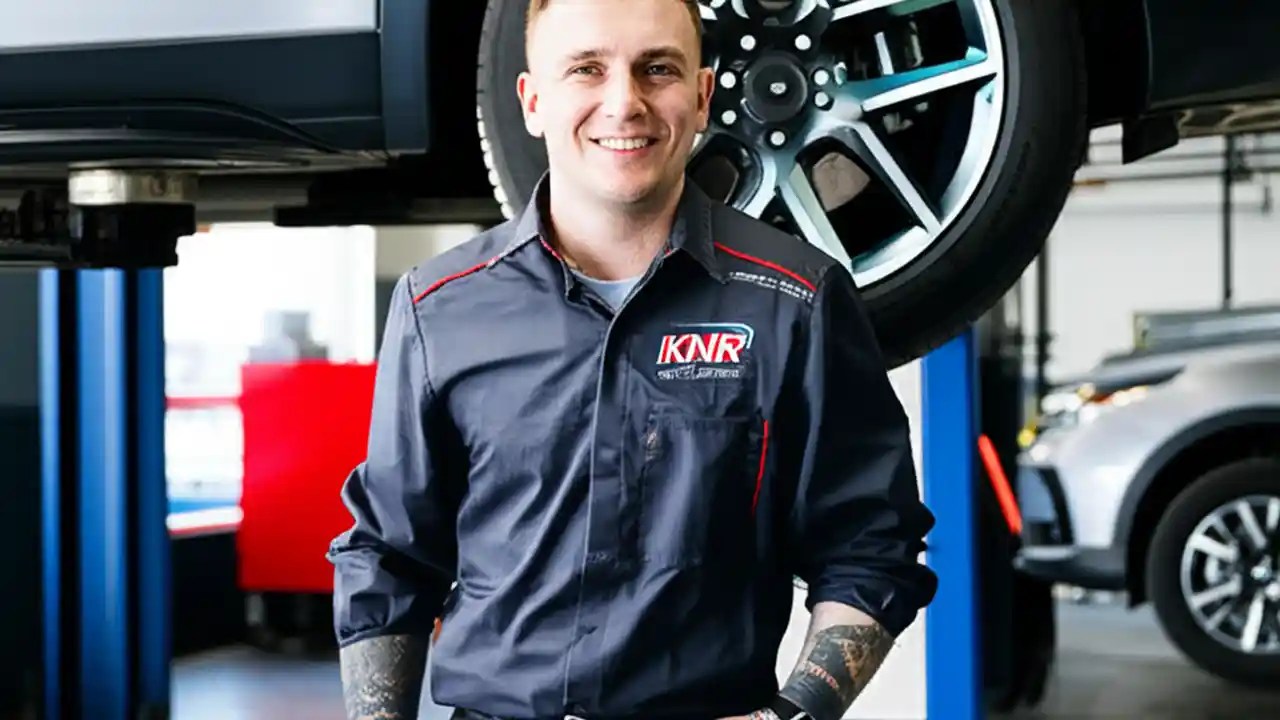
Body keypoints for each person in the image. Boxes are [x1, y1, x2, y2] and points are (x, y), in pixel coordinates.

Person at [327, 0, 938, 718]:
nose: (624, 103)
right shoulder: (439, 308)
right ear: (533, 101)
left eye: (658, 69)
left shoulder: (796, 302)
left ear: (703, 96)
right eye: (586, 69)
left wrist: (794, 713)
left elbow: (871, 547)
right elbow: (390, 556)